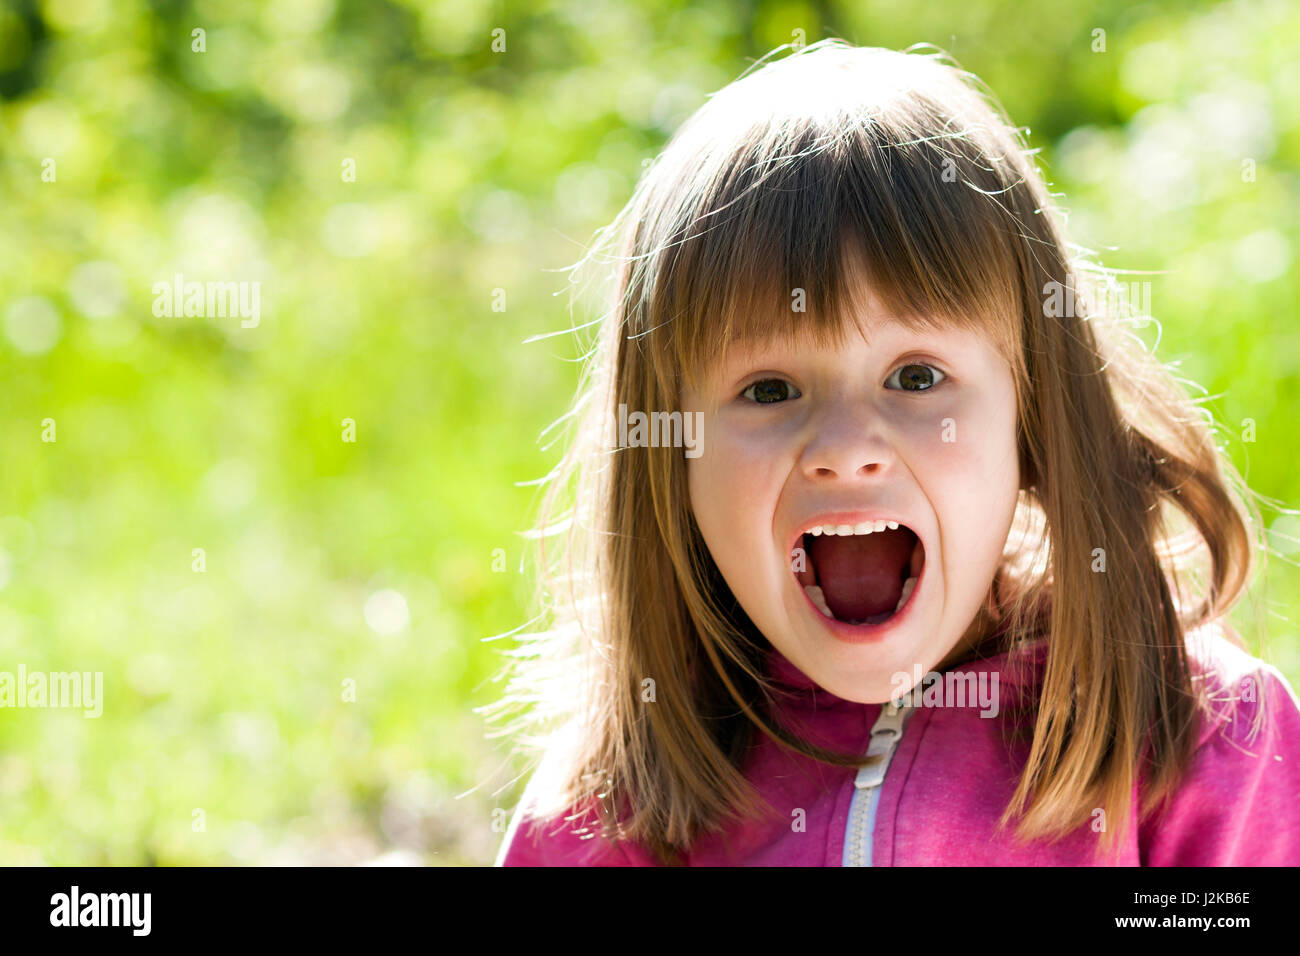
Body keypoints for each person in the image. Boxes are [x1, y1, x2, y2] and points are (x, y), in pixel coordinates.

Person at [484, 39, 1300, 866]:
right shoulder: (608, 820)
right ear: (672, 461)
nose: (844, 450)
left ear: (1033, 414)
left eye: (915, 377)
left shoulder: (1199, 747)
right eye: (769, 390)